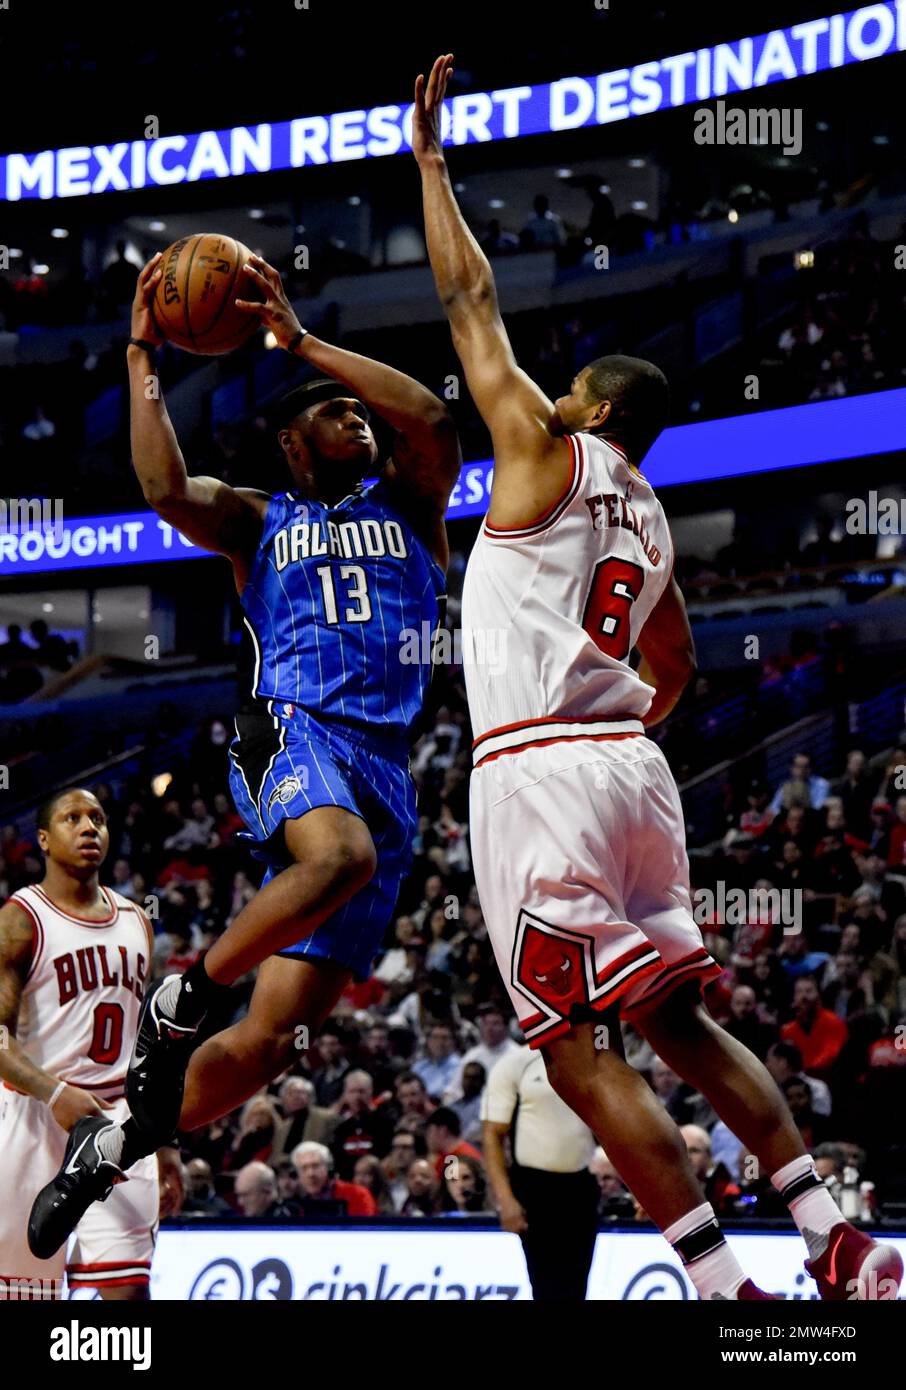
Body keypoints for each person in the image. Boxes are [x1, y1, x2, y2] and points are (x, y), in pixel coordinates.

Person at [410, 53, 901, 1302]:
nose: (554, 393)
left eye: (571, 389)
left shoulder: (543, 449)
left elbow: (470, 303)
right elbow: (672, 661)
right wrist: (619, 727)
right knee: (680, 1019)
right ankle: (831, 1229)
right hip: (636, 769)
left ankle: (720, 1277)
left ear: (593, 407)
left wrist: (430, 166)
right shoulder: (654, 517)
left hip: (542, 770)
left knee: (570, 1045)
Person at [30, 247, 460, 1257]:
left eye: (358, 414)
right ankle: (183, 997)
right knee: (335, 860)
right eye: (330, 412)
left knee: (268, 1043)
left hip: (385, 766)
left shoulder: (413, 510)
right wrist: (142, 353)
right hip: (292, 727)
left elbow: (434, 422)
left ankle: (114, 1144)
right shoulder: (261, 520)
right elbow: (161, 482)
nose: (355, 420)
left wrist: (302, 339)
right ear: (290, 443)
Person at [0, 788, 158, 1298]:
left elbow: (150, 1042)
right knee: (25, 1293)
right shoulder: (20, 920)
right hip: (34, 1118)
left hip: (119, 1124)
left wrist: (166, 1139)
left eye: (98, 818)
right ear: (43, 839)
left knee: (129, 1294)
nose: (90, 827)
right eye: (73, 818)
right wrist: (53, 1093)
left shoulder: (137, 920)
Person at [483, 1045, 598, 1300]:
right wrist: (505, 1199)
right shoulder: (515, 1063)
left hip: (582, 1184)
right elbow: (492, 1134)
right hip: (535, 1188)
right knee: (546, 1286)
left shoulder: (591, 1058)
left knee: (577, 1287)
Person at [292, 1141, 377, 1217]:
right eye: (304, 1168)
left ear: (328, 1168)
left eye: (315, 1166)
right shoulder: (293, 1206)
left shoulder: (358, 1195)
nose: (310, 1174)